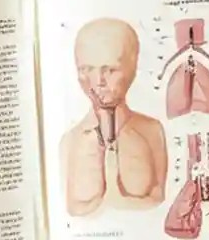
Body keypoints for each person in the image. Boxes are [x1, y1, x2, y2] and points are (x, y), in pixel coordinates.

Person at [60, 18, 167, 216]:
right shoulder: (70, 141)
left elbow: (158, 199)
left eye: (109, 70)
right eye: (86, 69)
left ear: (132, 68)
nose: (99, 81)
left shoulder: (151, 131)